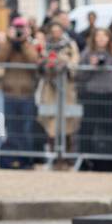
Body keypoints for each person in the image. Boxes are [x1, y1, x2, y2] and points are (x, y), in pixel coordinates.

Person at [0, 15, 40, 167]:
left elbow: (34, 60)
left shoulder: (32, 43)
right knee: (11, 129)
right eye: (17, 29)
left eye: (22, 29)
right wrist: (10, 42)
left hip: (27, 94)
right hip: (9, 93)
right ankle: (11, 159)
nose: (19, 32)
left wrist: (24, 42)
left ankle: (27, 160)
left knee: (26, 129)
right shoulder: (8, 45)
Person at [76, 27, 112, 167]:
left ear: (109, 38)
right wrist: (91, 66)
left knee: (110, 128)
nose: (101, 39)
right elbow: (80, 76)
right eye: (98, 36)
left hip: (110, 95)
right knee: (87, 128)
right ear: (94, 38)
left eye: (104, 36)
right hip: (92, 95)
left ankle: (109, 162)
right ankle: (85, 160)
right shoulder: (86, 54)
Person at [38, 19, 80, 165]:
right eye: (53, 31)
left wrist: (64, 62)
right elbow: (39, 63)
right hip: (50, 89)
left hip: (66, 88)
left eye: (58, 30)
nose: (56, 33)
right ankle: (53, 156)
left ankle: (67, 156)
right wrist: (48, 64)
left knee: (68, 120)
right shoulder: (45, 46)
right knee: (50, 120)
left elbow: (75, 63)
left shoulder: (70, 45)